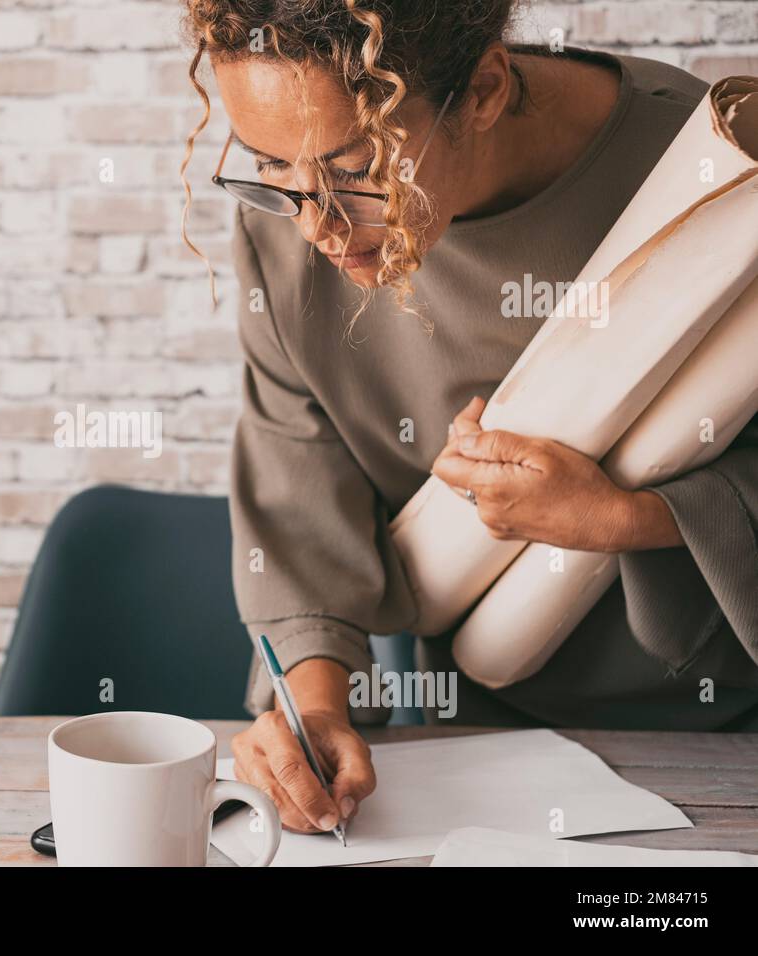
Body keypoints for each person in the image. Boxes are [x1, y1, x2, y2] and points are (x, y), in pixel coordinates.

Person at [179, 0, 758, 836]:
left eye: (355, 170)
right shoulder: (289, 221)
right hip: (470, 741)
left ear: (484, 89)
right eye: (271, 168)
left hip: (729, 734)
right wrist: (313, 711)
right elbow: (300, 478)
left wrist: (630, 518)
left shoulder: (710, 171)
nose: (318, 229)